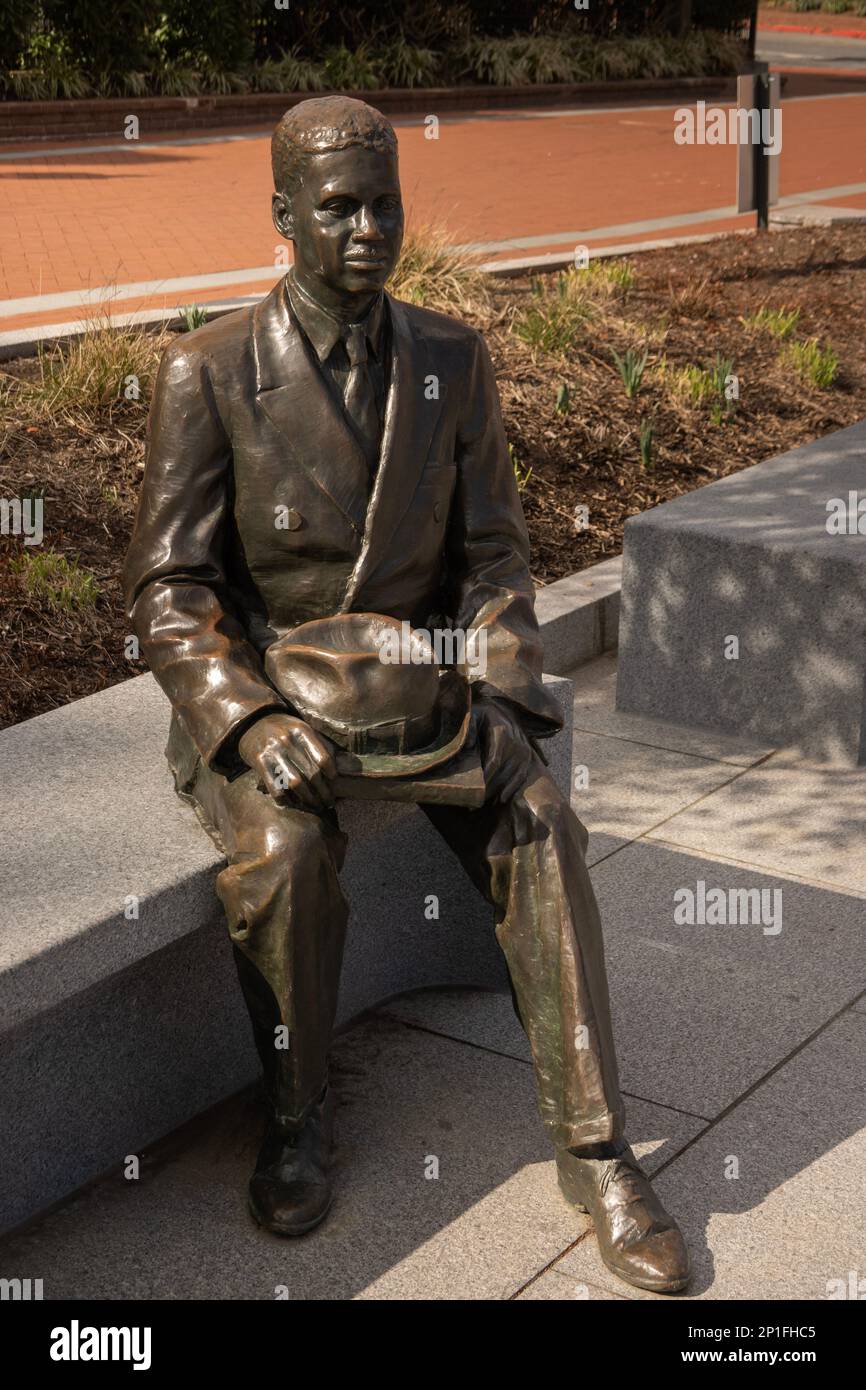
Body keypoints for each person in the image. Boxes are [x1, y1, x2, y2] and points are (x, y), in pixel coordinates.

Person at [123, 96, 690, 1295]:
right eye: (338, 206)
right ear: (284, 217)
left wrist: (494, 679)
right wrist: (249, 717)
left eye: (383, 200)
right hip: (276, 695)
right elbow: (172, 593)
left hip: (423, 688)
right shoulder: (208, 372)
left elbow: (493, 560)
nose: (368, 225)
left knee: (538, 819)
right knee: (279, 858)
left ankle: (598, 1151)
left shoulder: (449, 359)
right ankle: (294, 1116)